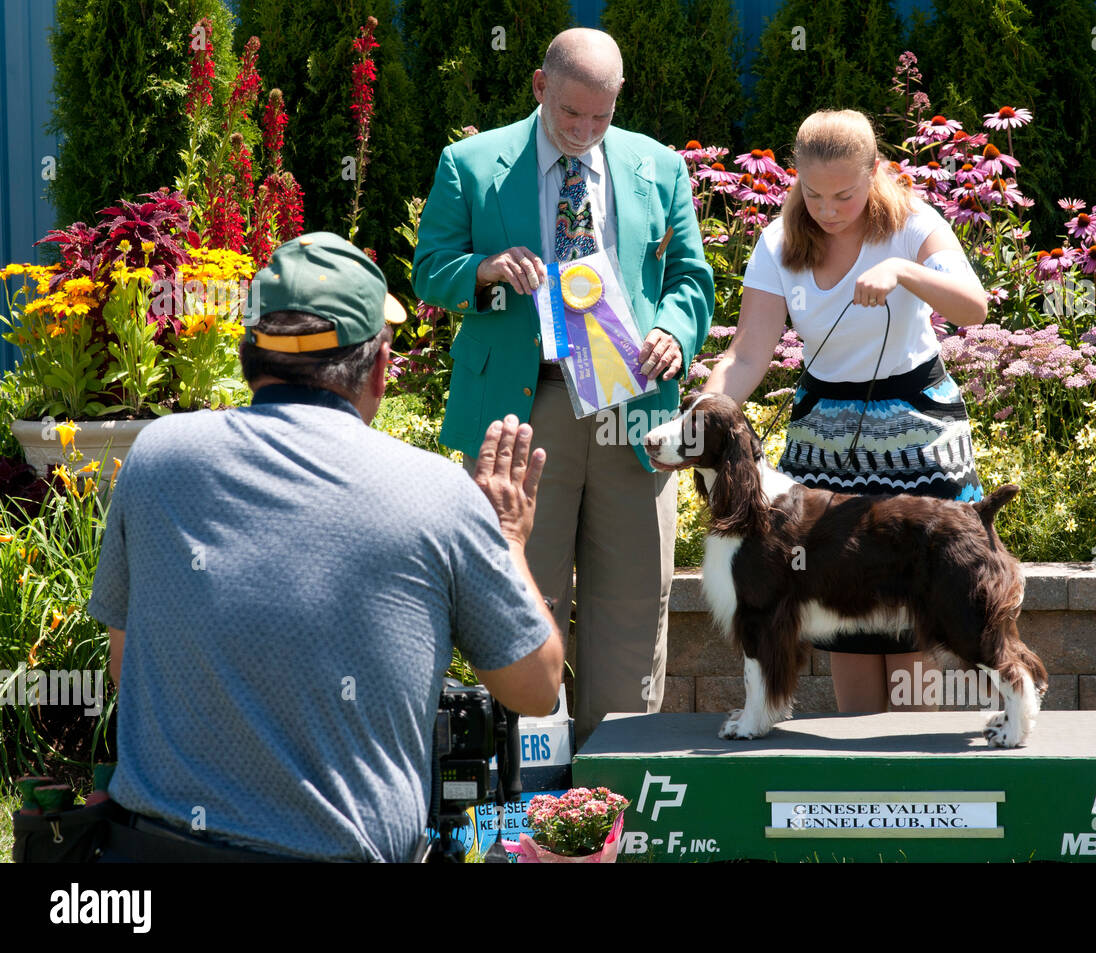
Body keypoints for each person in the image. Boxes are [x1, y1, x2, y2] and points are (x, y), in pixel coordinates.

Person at [87, 232, 564, 862]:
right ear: (380, 368)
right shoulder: (437, 493)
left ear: (249, 355)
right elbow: (536, 688)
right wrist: (507, 539)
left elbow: (127, 666)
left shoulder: (156, 456)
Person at [412, 28, 713, 745]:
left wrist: (674, 332)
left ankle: (618, 775)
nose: (583, 130)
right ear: (540, 86)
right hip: (522, 411)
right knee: (522, 594)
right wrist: (483, 270)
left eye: (600, 116)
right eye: (570, 112)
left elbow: (691, 279)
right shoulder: (470, 163)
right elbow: (430, 270)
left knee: (634, 601)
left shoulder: (660, 166)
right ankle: (525, 778)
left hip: (631, 412)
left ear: (618, 99)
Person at [701, 109, 988, 714]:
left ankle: (914, 761)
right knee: (842, 613)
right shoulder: (777, 243)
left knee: (917, 611)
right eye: (813, 194)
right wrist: (708, 410)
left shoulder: (914, 224)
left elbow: (973, 307)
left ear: (875, 172)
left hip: (918, 439)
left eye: (844, 195)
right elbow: (747, 353)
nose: (828, 210)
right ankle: (856, 759)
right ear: (796, 179)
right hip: (825, 445)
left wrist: (903, 270)